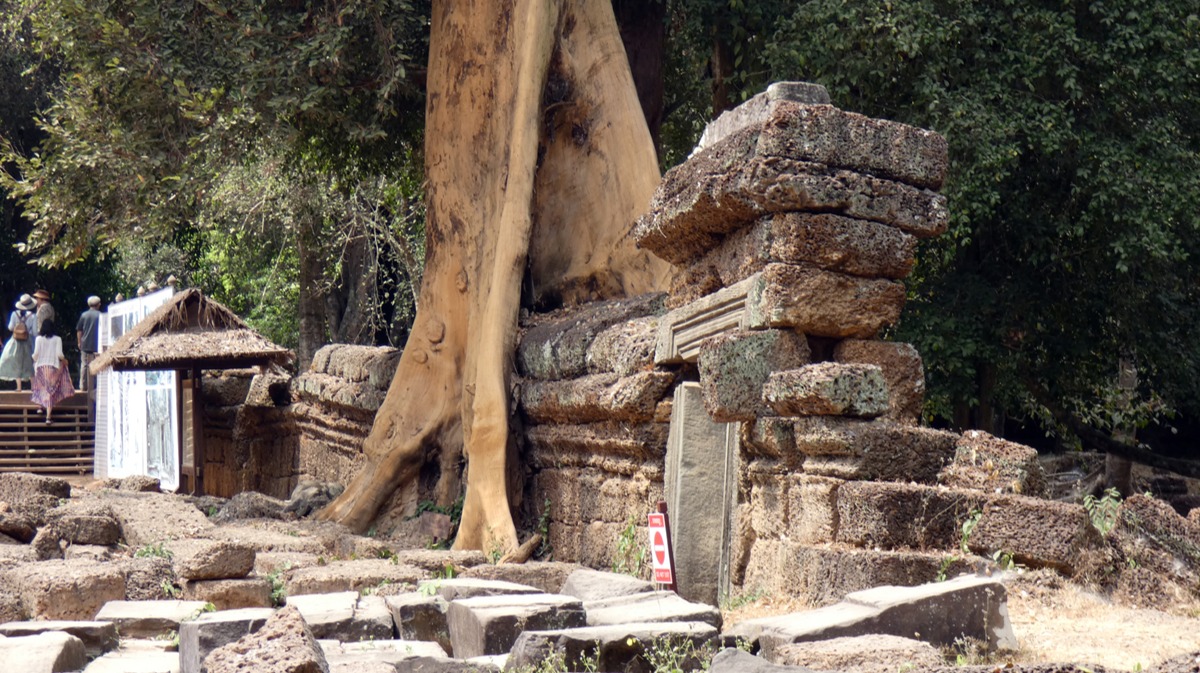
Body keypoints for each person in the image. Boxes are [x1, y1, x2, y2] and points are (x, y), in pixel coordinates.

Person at [30, 318, 74, 423]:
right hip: (53, 368)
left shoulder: (38, 339)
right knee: (50, 391)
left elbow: (35, 354)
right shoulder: (57, 339)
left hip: (41, 367)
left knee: (41, 388)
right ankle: (48, 417)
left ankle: (40, 407)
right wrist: (64, 360)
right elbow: (59, 354)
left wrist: (34, 360)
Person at [0, 295, 37, 391]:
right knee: (29, 362)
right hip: (27, 341)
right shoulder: (32, 316)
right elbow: (34, 331)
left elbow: (10, 327)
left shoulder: (14, 314)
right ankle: (33, 386)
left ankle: (19, 387)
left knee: (17, 361)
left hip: (15, 340)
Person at [76, 296, 102, 391]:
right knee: (97, 364)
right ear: (98, 304)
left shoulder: (84, 315)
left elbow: (79, 330)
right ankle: (95, 386)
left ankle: (83, 386)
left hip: (85, 344)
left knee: (84, 365)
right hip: (97, 345)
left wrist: (79, 342)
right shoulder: (101, 315)